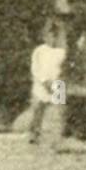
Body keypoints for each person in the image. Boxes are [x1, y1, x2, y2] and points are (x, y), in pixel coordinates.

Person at [28, 19, 67, 148]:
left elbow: (63, 68)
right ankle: (34, 135)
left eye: (56, 35)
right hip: (41, 84)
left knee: (58, 113)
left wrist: (58, 81)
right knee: (38, 111)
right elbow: (35, 68)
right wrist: (44, 81)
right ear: (44, 36)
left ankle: (56, 140)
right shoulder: (39, 50)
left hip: (57, 84)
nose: (53, 38)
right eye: (49, 35)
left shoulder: (62, 51)